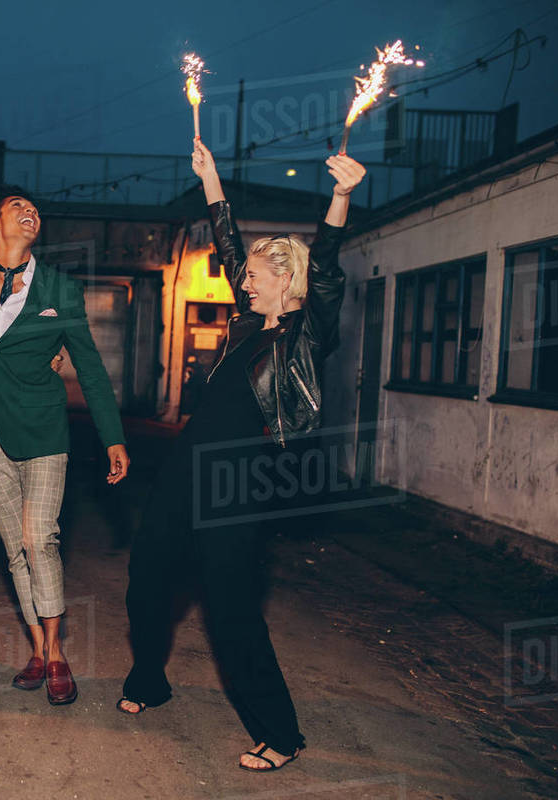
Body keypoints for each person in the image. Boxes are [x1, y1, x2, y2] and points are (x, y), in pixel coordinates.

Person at [119, 138, 365, 771]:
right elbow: (230, 248)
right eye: (247, 275)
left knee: (229, 607)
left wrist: (339, 197)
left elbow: (330, 263)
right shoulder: (250, 326)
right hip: (184, 467)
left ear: (289, 280)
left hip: (239, 479)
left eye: (257, 275)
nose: (244, 281)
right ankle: (150, 679)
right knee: (147, 575)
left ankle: (280, 734)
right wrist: (212, 183)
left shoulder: (308, 332)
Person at [0, 186, 130, 706]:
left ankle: (54, 653)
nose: (29, 215)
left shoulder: (61, 290)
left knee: (37, 539)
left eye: (35, 211)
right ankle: (41, 647)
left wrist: (112, 437)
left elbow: (89, 366)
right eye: (16, 209)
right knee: (13, 548)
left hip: (45, 429)